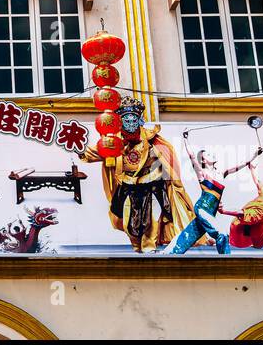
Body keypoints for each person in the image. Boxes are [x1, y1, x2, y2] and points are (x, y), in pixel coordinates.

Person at [80, 106, 196, 253]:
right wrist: (79, 148)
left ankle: (150, 248)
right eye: (126, 120)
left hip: (151, 186)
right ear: (120, 123)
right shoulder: (114, 142)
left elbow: (166, 159)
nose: (130, 123)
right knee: (129, 222)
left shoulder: (151, 140)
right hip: (128, 187)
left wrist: (171, 181)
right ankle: (137, 248)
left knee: (153, 218)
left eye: (133, 119)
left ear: (140, 120)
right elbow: (94, 152)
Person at [169, 135, 262, 255]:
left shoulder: (221, 173)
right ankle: (226, 260)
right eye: (207, 155)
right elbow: (192, 157)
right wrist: (186, 139)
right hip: (202, 208)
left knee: (190, 234)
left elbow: (241, 163)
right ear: (203, 160)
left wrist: (255, 153)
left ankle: (170, 253)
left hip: (211, 211)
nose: (211, 155)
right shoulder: (202, 173)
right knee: (221, 233)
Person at [220, 166, 263, 249]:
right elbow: (240, 213)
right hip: (238, 236)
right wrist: (223, 211)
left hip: (239, 227)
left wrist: (252, 168)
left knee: (262, 241)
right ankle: (226, 238)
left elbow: (257, 182)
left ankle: (225, 237)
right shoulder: (261, 212)